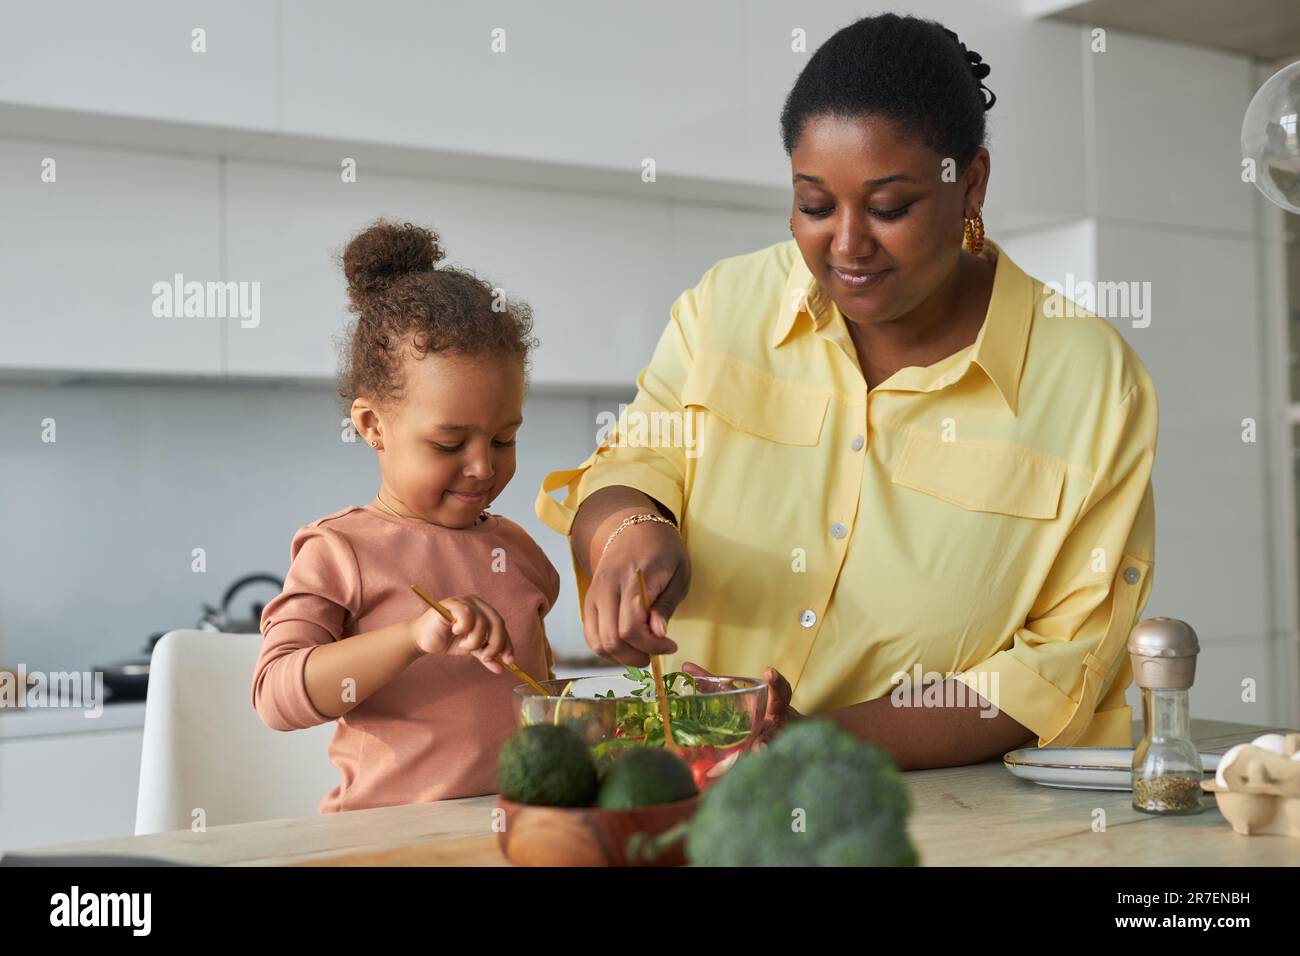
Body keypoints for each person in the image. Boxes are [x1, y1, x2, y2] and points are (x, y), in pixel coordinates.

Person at [536, 13, 1156, 770]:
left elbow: (1060, 662)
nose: (848, 244)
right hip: (687, 795)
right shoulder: (727, 304)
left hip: (927, 814)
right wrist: (629, 530)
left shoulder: (1093, 381)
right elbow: (637, 459)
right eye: (815, 205)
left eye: (890, 208)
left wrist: (814, 743)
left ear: (972, 184)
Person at [254, 219, 560, 811]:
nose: (481, 467)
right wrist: (413, 637)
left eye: (504, 440)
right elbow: (276, 696)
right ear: (372, 426)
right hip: (386, 845)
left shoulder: (520, 551)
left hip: (508, 834)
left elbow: (532, 700)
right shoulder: (340, 551)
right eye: (449, 445)